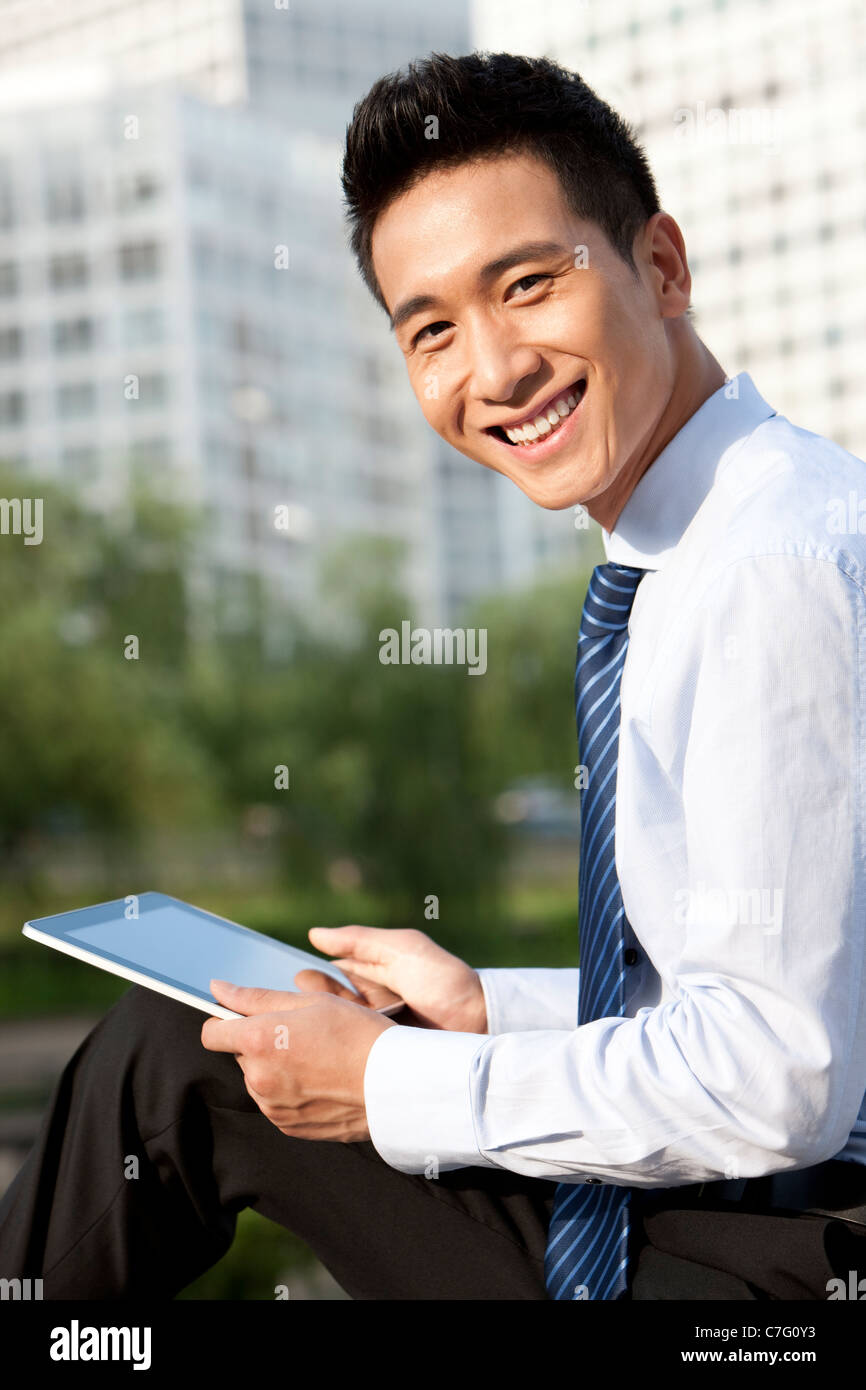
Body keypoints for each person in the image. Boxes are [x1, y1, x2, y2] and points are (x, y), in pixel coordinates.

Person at [2, 50, 866, 1301]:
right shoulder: (728, 533)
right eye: (433, 331)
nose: (494, 368)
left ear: (661, 267)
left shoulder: (763, 567)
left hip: (791, 1264)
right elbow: (784, 986)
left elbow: (777, 1077)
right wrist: (485, 1011)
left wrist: (379, 1081)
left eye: (527, 285)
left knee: (179, 1063)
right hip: (769, 1212)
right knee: (211, 1042)